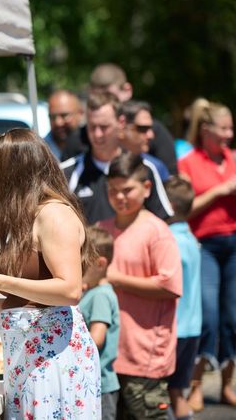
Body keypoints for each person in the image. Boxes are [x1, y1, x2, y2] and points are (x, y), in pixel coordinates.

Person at [0, 128, 101, 419]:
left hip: (53, 363)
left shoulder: (54, 215)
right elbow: (20, 308)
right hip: (28, 362)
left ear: (17, 175)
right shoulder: (29, 218)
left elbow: (69, 290)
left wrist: (0, 280)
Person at [98, 152, 182, 419]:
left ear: (146, 188)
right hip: (109, 355)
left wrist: (116, 278)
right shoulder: (101, 229)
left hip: (145, 355)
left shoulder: (157, 231)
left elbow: (170, 285)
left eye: (127, 190)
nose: (119, 197)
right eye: (113, 190)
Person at [178, 98, 236, 410]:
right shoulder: (189, 163)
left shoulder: (234, 159)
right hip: (205, 247)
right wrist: (219, 191)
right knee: (208, 317)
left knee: (232, 318)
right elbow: (184, 209)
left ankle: (227, 385)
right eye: (223, 129)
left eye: (231, 129)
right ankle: (196, 385)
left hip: (234, 244)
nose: (229, 135)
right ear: (206, 130)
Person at [60, 91, 173, 224]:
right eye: (92, 127)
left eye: (104, 127)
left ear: (121, 123)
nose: (97, 134)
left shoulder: (144, 168)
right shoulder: (66, 173)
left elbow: (164, 222)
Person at [62, 63, 178, 175]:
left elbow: (169, 176)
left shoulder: (150, 133)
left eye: (110, 96)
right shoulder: (77, 141)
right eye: (97, 98)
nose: (98, 134)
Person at [164, 176, 202, 420]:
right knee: (177, 391)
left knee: (171, 391)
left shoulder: (171, 240)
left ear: (170, 206)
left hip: (175, 328)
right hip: (192, 327)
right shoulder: (190, 237)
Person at [79, 226, 120, 420]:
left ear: (100, 264)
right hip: (95, 383)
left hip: (100, 385)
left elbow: (97, 338)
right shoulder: (93, 292)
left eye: (81, 264)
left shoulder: (100, 296)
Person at [118, 100, 170, 181]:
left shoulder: (155, 168)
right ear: (122, 126)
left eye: (151, 128)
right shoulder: (101, 163)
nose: (150, 135)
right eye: (143, 128)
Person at [44, 89, 84, 160]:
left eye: (64, 115)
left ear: (80, 113)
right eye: (52, 117)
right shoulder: (39, 152)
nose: (58, 123)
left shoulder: (93, 148)